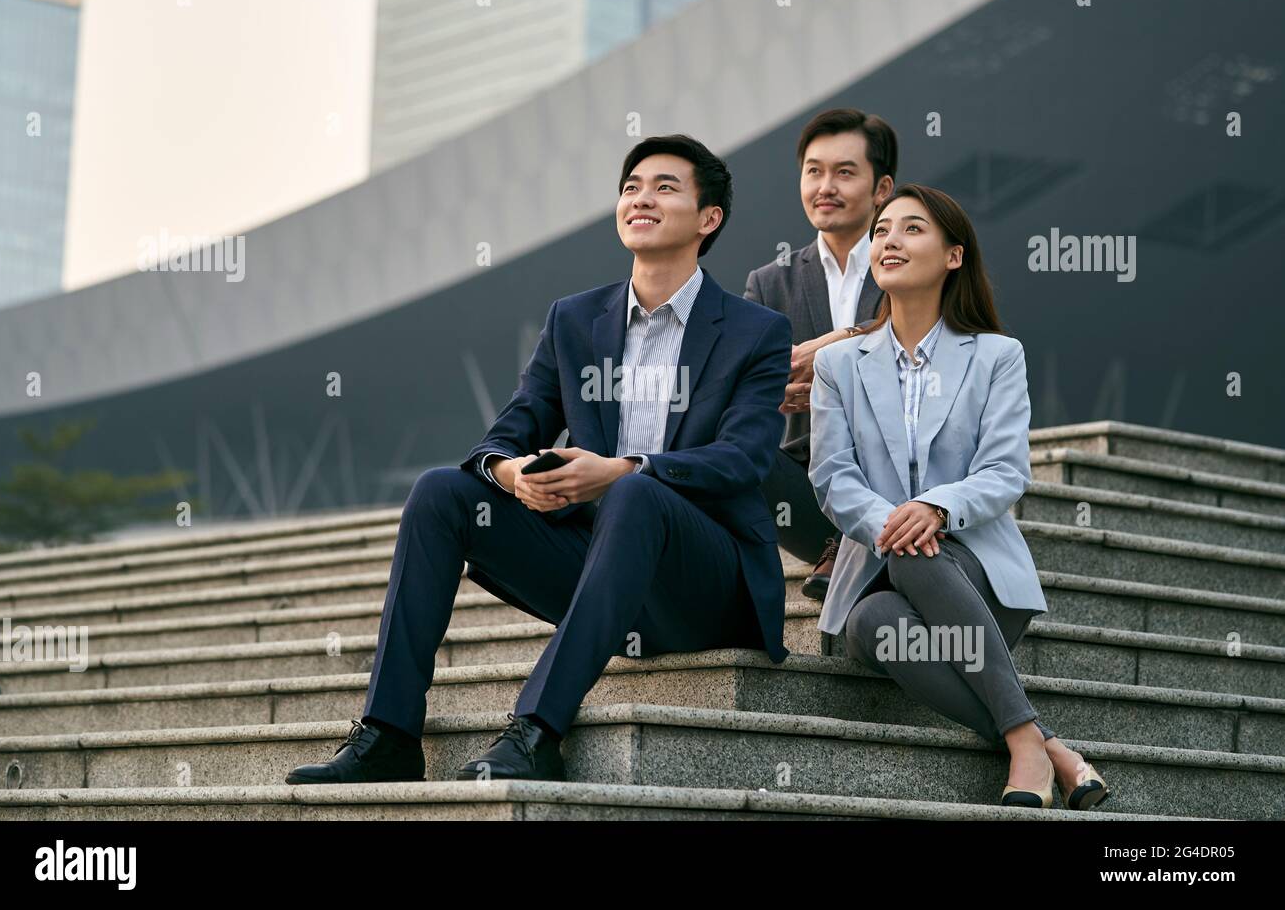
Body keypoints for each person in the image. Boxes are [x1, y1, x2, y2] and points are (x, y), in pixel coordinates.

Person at [286, 134, 791, 785]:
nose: (641, 197)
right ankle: (388, 732)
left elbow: (744, 459)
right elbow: (504, 435)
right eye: (631, 186)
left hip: (704, 586)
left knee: (636, 493)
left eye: (665, 187)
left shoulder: (754, 330)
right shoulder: (576, 321)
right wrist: (512, 474)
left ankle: (536, 733)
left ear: (708, 218)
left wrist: (623, 469)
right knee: (442, 490)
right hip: (598, 567)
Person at [807, 183, 1110, 809]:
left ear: (954, 256)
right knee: (870, 621)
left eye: (912, 228)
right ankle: (1037, 741)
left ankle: (1028, 746)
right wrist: (895, 521)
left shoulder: (997, 355)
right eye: (883, 229)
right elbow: (832, 476)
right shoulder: (840, 366)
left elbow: (1005, 470)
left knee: (918, 554)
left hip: (981, 584)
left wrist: (937, 509)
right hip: (883, 578)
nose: (890, 238)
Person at [744, 109, 895, 600]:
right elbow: (740, 380)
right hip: (809, 493)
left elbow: (940, 343)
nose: (825, 186)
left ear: (882, 189)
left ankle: (854, 545)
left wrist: (842, 351)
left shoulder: (915, 260)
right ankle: (844, 542)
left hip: (902, 478)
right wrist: (773, 390)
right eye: (814, 171)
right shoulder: (769, 282)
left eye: (844, 172)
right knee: (726, 437)